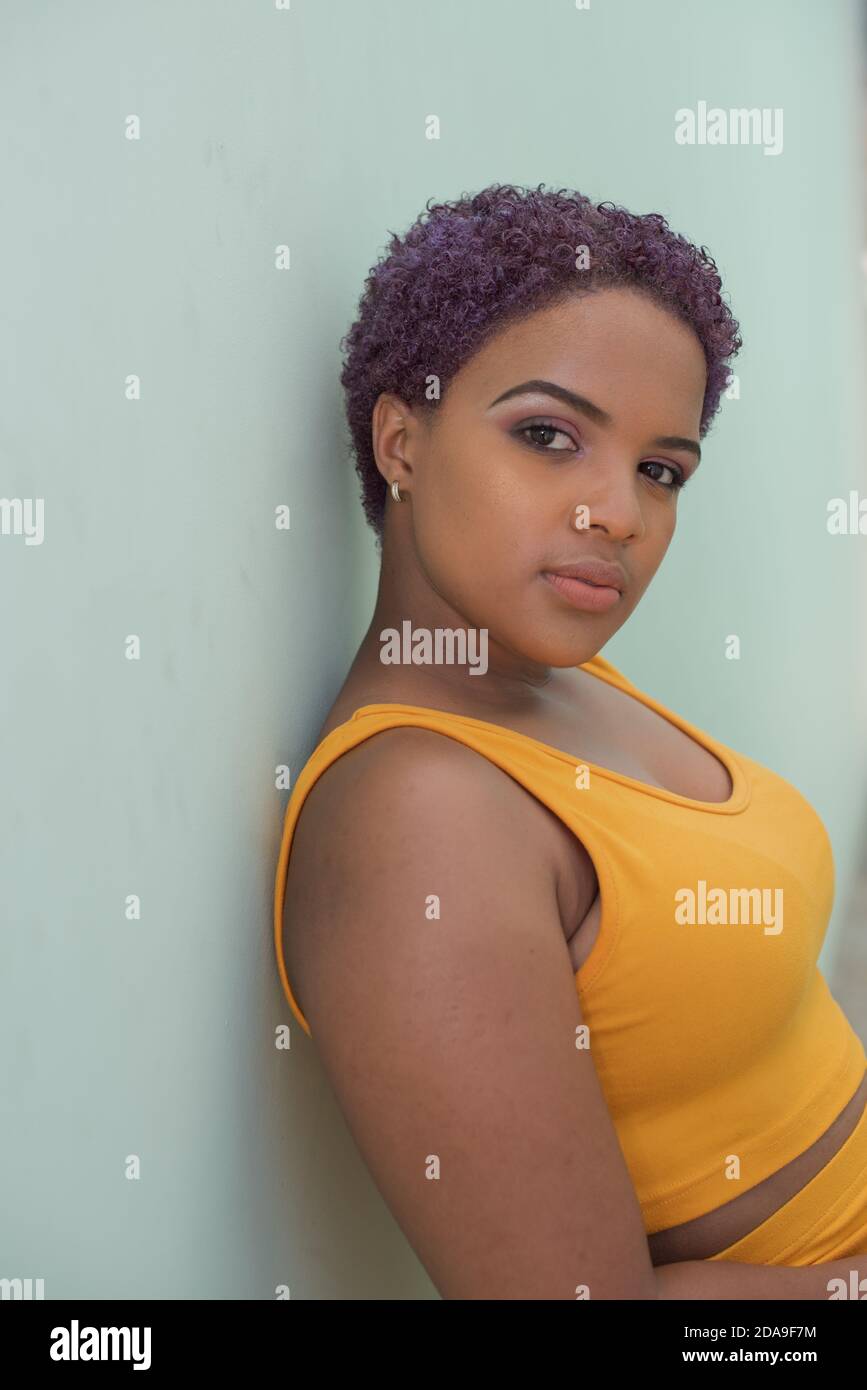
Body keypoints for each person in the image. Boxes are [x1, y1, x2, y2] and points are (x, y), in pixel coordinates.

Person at [274, 183, 867, 1299]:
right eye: (549, 436)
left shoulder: (557, 674)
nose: (620, 514)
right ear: (400, 440)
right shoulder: (419, 816)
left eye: (661, 469)